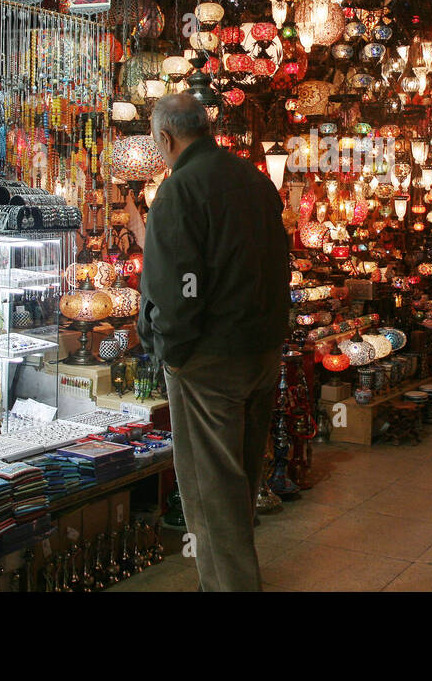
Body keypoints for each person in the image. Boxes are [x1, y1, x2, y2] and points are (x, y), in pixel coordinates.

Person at [137, 93, 291, 591]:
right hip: (261, 350)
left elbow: (181, 286)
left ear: (165, 137)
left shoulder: (180, 191)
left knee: (211, 493)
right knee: (239, 479)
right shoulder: (254, 179)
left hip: (209, 360)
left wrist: (173, 352)